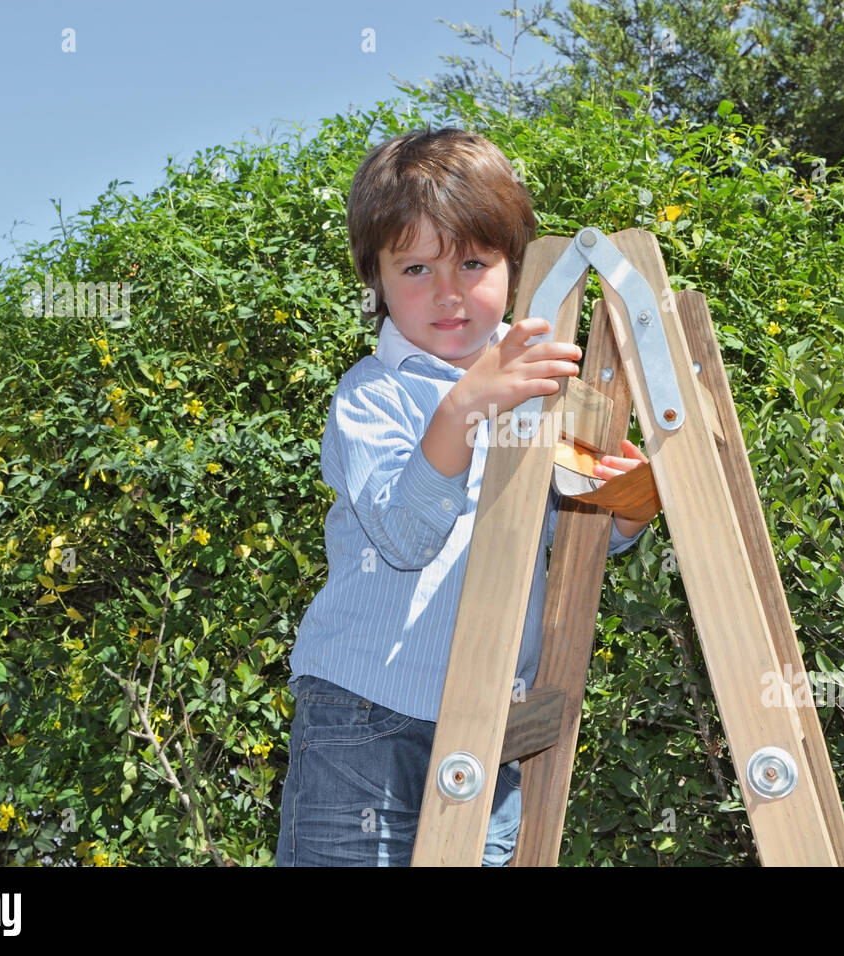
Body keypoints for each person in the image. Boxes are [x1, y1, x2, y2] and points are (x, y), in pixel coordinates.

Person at [276, 127, 656, 866]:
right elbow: (404, 535)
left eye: (473, 263)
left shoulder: (538, 392)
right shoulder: (373, 395)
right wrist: (461, 411)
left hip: (487, 716)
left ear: (513, 270)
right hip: (363, 714)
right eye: (416, 267)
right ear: (376, 281)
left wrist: (626, 507)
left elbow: (558, 531)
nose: (447, 293)